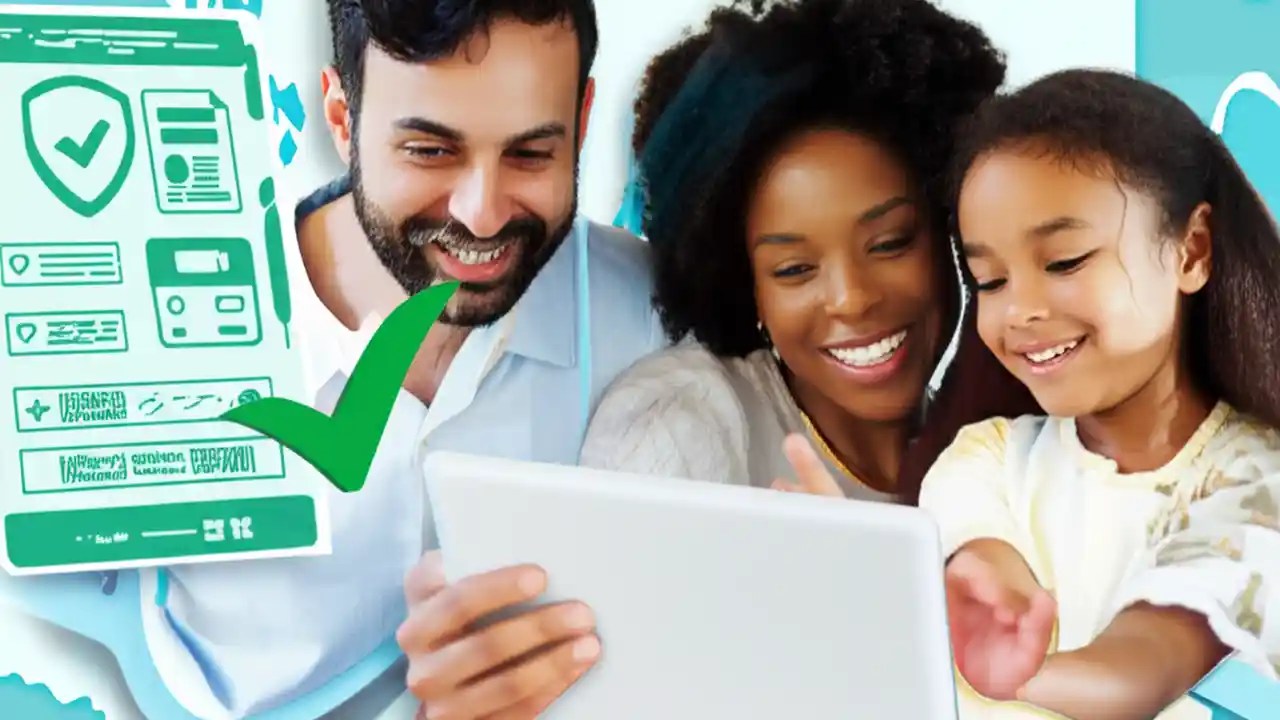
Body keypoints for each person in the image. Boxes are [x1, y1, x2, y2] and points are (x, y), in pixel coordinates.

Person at [0, 1, 668, 719]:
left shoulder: (661, 322)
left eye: (531, 153)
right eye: (430, 151)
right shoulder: (135, 333)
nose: (482, 214)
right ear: (341, 118)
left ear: (583, 117)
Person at [788, 68, 1280, 719]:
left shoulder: (1257, 481)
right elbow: (989, 571)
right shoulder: (984, 458)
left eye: (1064, 261)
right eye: (988, 280)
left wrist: (1013, 674)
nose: (1019, 311)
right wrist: (888, 586)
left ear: (1190, 251)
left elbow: (1143, 665)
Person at [578, 0, 1038, 503]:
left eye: (889, 244)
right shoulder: (683, 425)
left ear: (951, 227)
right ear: (745, 284)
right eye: (795, 269)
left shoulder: (999, 453)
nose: (851, 299)